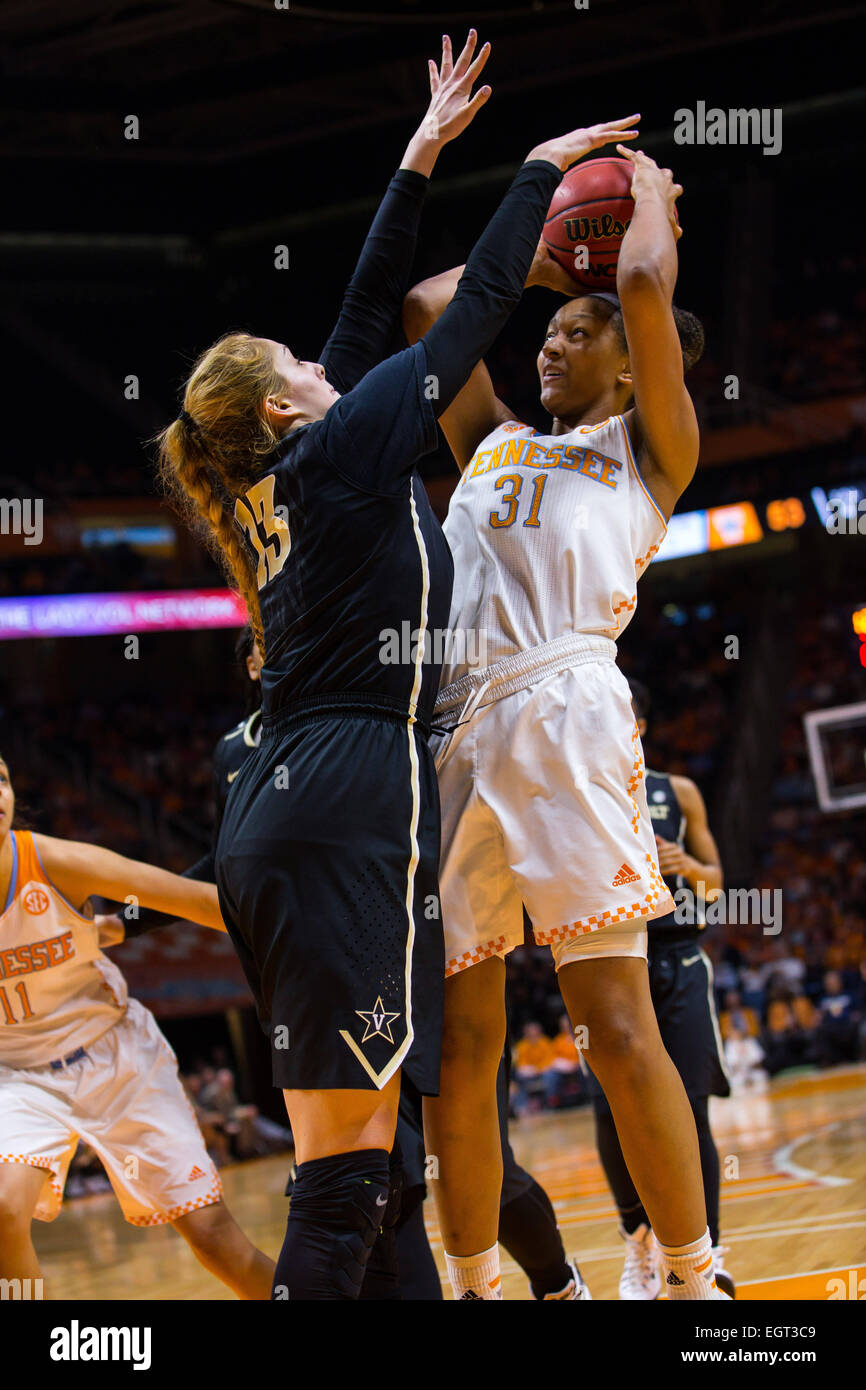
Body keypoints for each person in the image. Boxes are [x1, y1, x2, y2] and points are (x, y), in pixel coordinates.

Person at [157, 28, 615, 1299]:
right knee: (347, 1180)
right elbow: (470, 314)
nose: (325, 362)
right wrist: (534, 171)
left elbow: (364, 312)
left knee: (384, 1171)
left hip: (284, 807)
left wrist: (417, 154)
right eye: (301, 367)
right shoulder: (344, 446)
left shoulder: (298, 464)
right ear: (282, 407)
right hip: (347, 798)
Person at [404, 141, 730, 1299]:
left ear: (634, 367)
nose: (549, 343)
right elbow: (430, 304)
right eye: (548, 331)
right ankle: (477, 1285)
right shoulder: (491, 439)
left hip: (565, 709)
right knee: (460, 1047)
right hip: (454, 728)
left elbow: (639, 282)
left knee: (613, 1021)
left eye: (577, 333)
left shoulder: (646, 453)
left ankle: (691, 1277)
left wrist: (646, 203)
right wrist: (543, 265)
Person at [0, 755, 274, 1299]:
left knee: (214, 1238)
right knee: (5, 1209)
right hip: (17, 1075)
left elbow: (197, 900)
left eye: (2, 779)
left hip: (117, 1056)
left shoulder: (55, 862)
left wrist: (308, 938)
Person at [589, 679, 734, 1299]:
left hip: (677, 959)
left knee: (692, 1108)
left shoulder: (679, 792)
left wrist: (689, 866)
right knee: (610, 1109)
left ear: (639, 726)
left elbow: (717, 885)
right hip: (611, 961)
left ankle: (708, 1254)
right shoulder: (585, 790)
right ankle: (640, 1243)